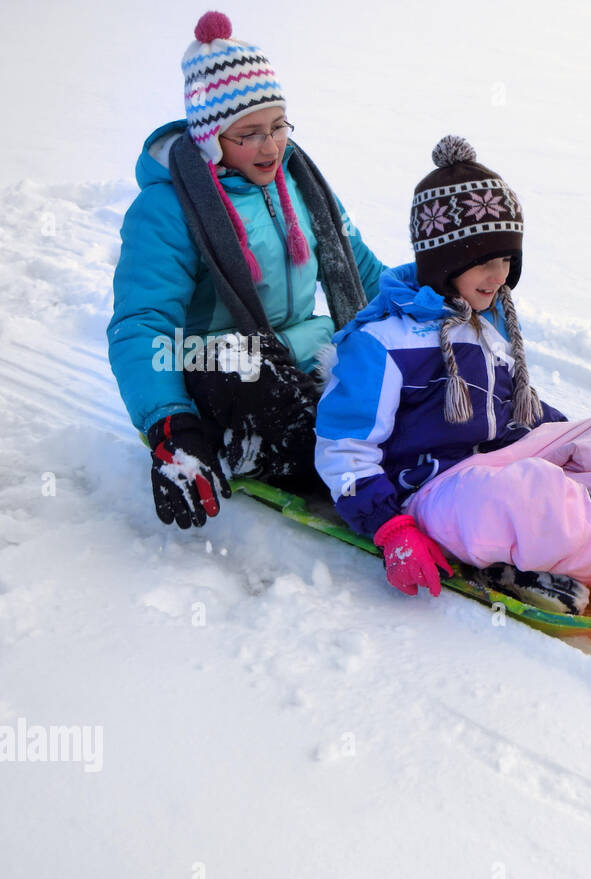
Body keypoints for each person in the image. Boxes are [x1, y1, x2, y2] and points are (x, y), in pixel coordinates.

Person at [314, 136, 591, 614]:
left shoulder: (486, 319)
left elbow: (510, 403)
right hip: (430, 494)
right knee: (530, 492)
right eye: (483, 261)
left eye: (507, 260)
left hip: (495, 469)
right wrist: (390, 528)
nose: (498, 275)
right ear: (444, 261)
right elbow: (342, 452)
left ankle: (561, 533)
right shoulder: (380, 343)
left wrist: (561, 443)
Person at [107, 10, 387, 529]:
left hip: (300, 357)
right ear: (213, 139)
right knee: (272, 385)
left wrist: (437, 296)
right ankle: (358, 469)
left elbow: (364, 272)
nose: (272, 145)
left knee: (394, 382)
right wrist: (171, 426)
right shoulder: (168, 210)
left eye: (279, 126)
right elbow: (141, 323)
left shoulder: (301, 186)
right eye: (251, 133)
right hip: (220, 374)